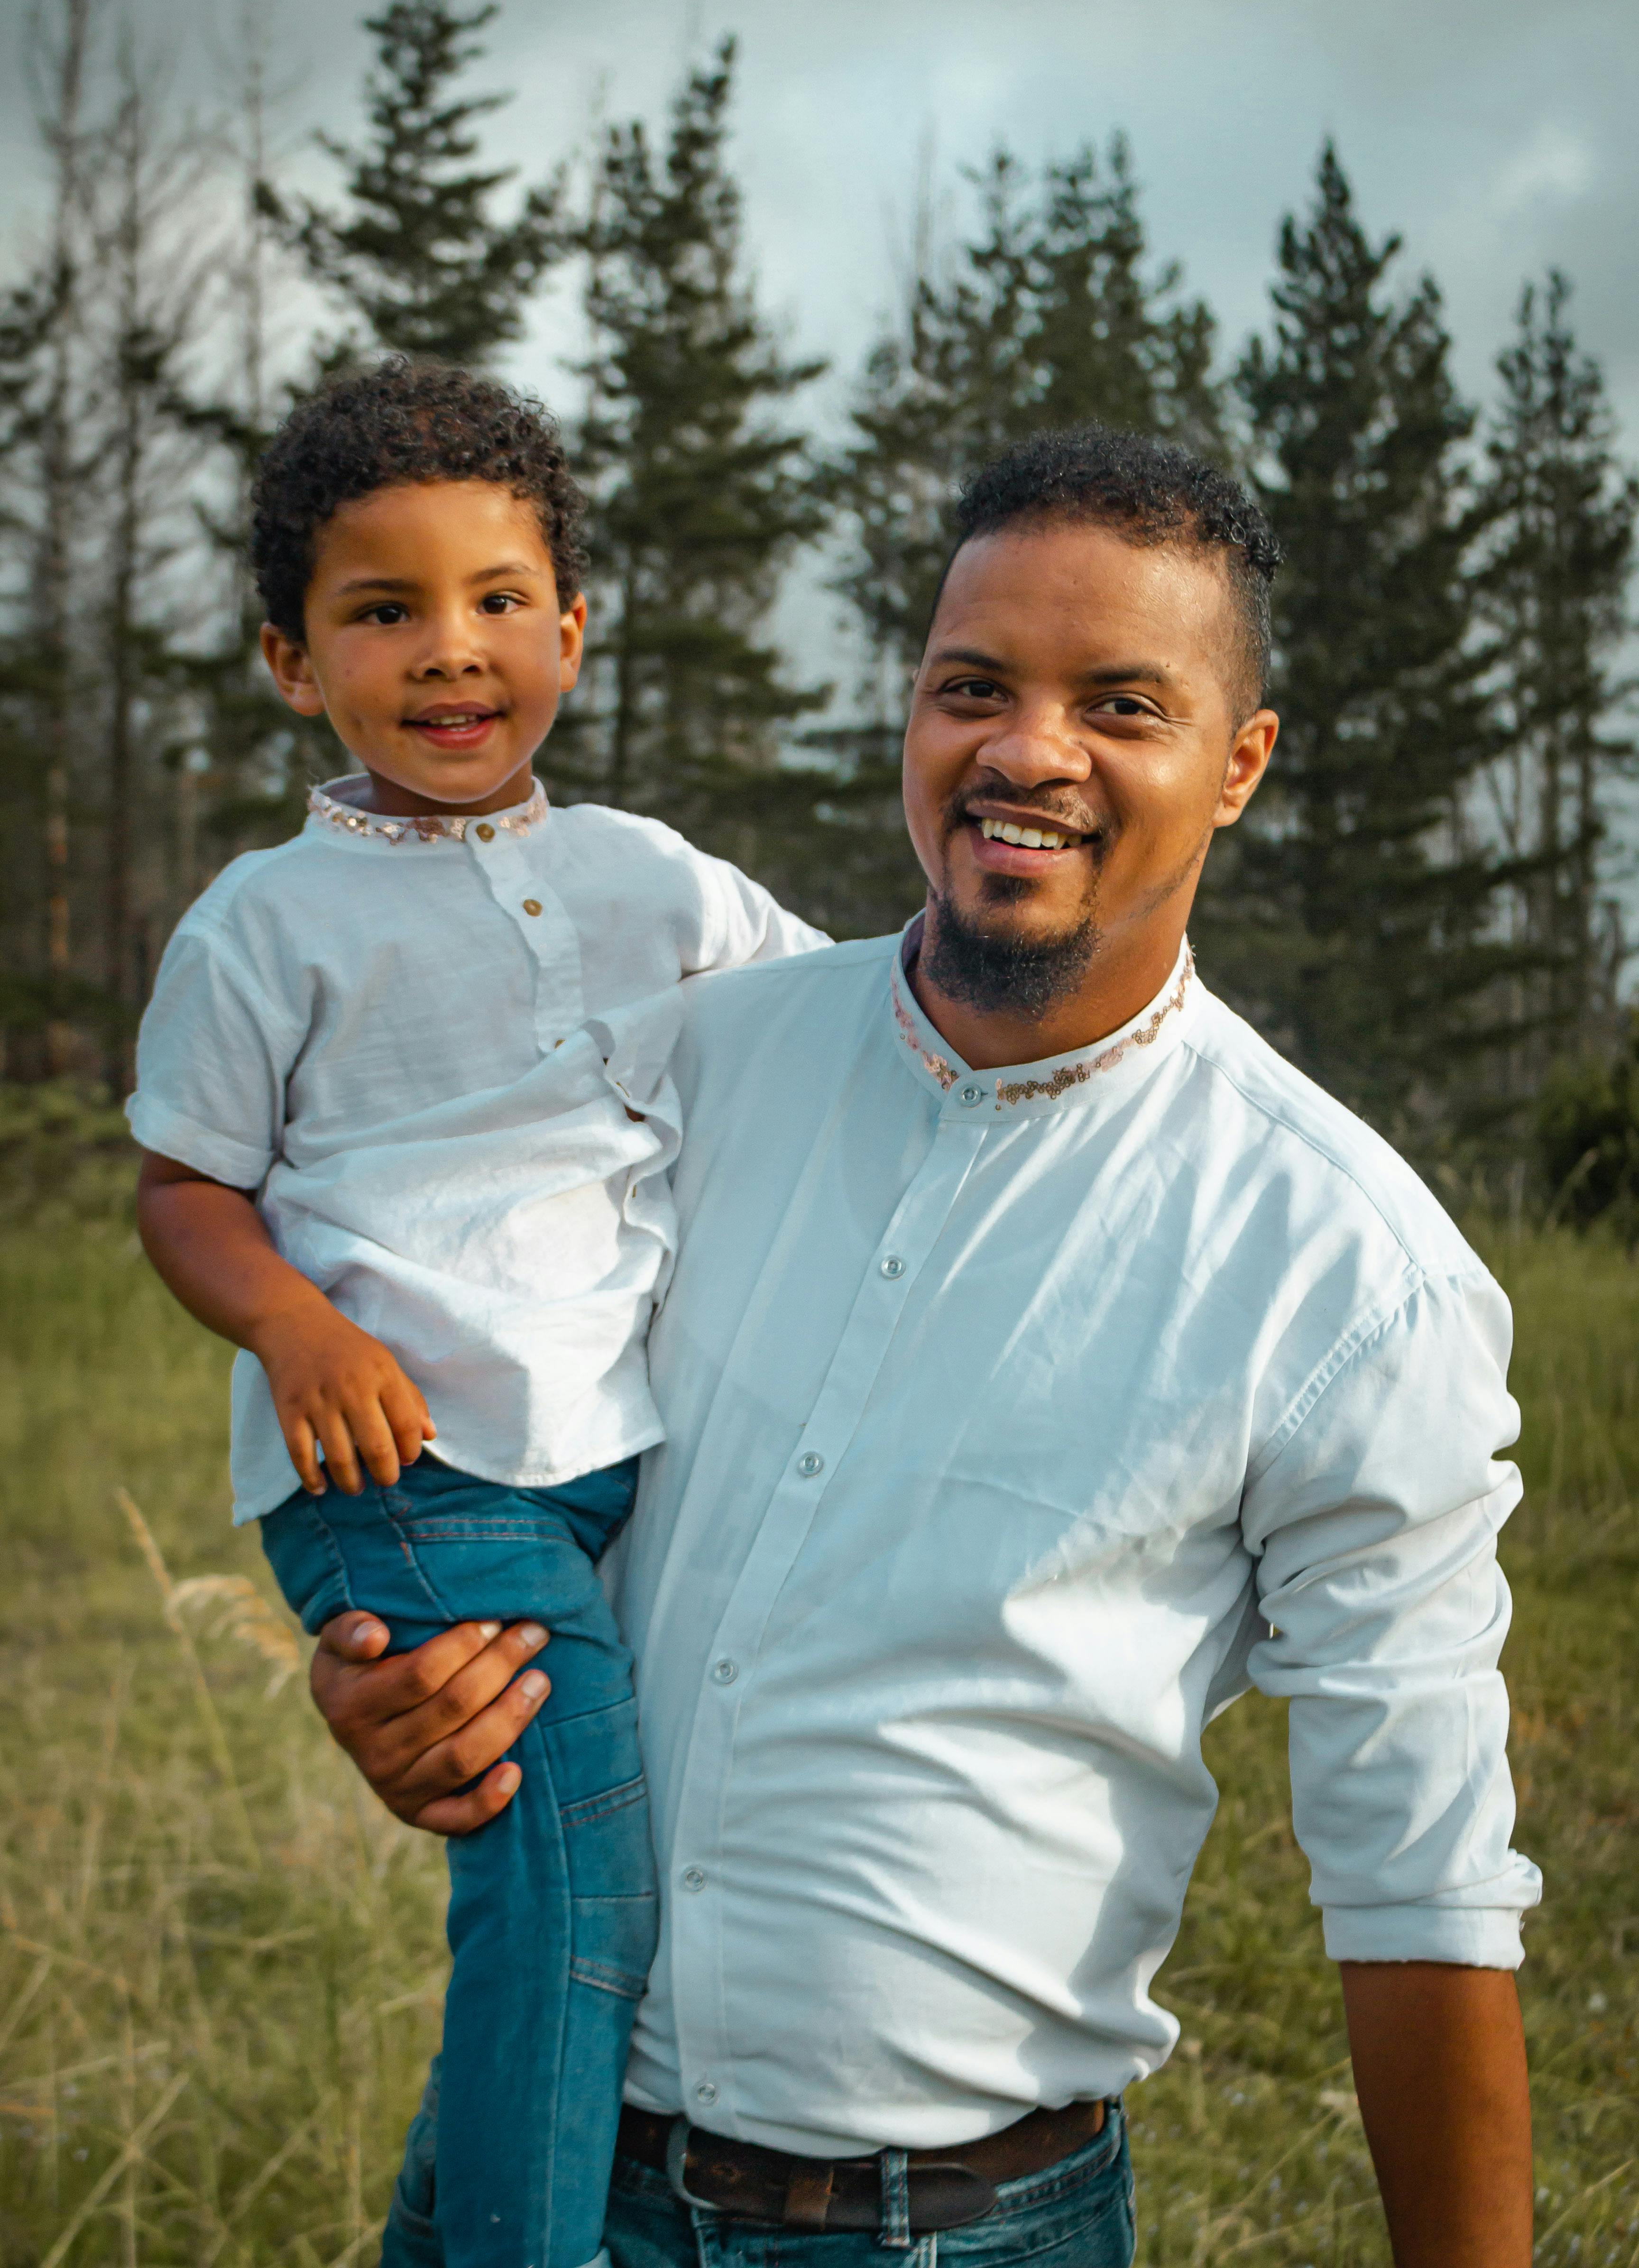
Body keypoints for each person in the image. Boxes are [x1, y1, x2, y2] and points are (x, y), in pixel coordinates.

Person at [311, 425, 1539, 2268]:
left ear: (1239, 767)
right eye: (977, 686)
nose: (1027, 751)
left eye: (1121, 702)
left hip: (957, 2231)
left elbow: (1422, 1883)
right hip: (529, 2167)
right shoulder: (684, 1068)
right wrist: (393, 1675)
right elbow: (457, 1393)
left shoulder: (1347, 1277)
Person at [125, 359, 825, 2268]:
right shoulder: (268, 921)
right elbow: (182, 1186)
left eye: (498, 601)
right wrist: (294, 1327)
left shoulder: (648, 876)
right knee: (579, 1894)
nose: (452, 653)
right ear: (293, 661)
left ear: (573, 630)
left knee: (579, 1882)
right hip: (410, 1455)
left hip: (606, 1451)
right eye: (384, 611)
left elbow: (851, 1008)